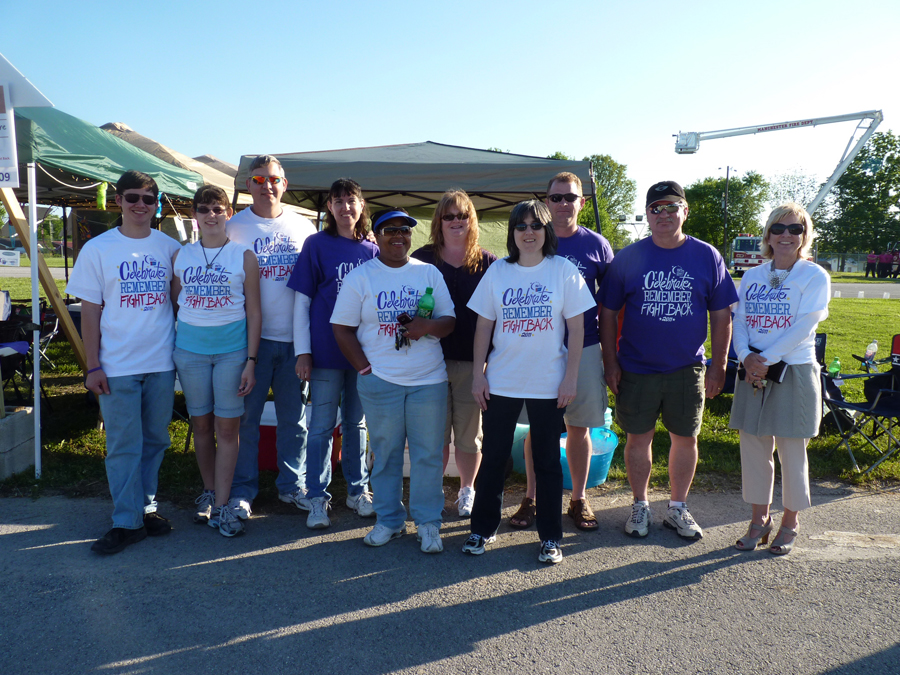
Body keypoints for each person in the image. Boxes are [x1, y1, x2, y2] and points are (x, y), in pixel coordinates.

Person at [599, 181, 738, 541]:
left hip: (686, 368)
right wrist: (610, 363)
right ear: (647, 215)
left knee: (686, 439)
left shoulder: (707, 256)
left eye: (671, 207)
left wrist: (719, 365)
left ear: (684, 211)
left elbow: (721, 314)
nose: (663, 214)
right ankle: (640, 505)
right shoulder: (628, 257)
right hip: (636, 367)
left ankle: (677, 507)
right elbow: (608, 313)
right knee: (637, 439)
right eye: (656, 208)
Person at [464, 200, 595, 564]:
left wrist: (570, 378)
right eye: (520, 226)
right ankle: (482, 529)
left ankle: (551, 537)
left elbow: (577, 329)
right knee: (493, 459)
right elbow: (484, 326)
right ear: (512, 232)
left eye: (536, 225)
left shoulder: (563, 270)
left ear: (546, 231)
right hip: (501, 381)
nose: (528, 232)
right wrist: (478, 374)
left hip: (548, 384)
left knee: (548, 461)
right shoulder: (498, 271)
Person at [66, 170, 181, 554]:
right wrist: (92, 366)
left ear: (157, 205)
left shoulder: (170, 248)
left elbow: (180, 302)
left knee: (156, 440)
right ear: (118, 200)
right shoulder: (98, 248)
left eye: (149, 199)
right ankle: (125, 521)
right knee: (122, 444)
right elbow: (90, 311)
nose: (140, 205)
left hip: (161, 362)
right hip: (116, 365)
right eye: (132, 198)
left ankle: (145, 508)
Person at [331, 208, 455, 553]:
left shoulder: (428, 273)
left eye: (405, 230)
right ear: (376, 236)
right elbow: (341, 328)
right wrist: (364, 369)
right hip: (380, 380)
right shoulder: (361, 277)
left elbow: (449, 322)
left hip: (428, 380)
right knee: (385, 454)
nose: (398, 236)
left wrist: (427, 326)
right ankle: (389, 520)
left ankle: (428, 523)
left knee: (428, 454)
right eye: (390, 230)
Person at [510, 172, 614, 532]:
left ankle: (578, 498)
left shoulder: (597, 245)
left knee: (578, 428)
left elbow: (609, 307)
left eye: (570, 197)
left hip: (584, 347)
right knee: (537, 429)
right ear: (546, 201)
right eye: (556, 198)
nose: (563, 204)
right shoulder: (533, 238)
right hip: (537, 349)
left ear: (581, 203)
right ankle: (532, 497)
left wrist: (611, 359)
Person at [730, 204, 830, 555]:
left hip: (793, 370)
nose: (786, 235)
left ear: (805, 235)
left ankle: (790, 522)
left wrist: (765, 360)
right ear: (768, 235)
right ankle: (759, 520)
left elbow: (806, 325)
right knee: (754, 448)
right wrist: (745, 356)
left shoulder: (814, 276)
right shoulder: (752, 276)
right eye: (779, 228)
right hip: (753, 369)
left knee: (792, 451)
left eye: (795, 229)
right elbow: (740, 320)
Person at [226, 155, 316, 519]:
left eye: (274, 179)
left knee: (294, 420)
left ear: (285, 184)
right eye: (260, 180)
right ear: (248, 185)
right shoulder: (233, 227)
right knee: (246, 419)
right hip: (251, 342)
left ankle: (291, 486)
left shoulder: (304, 227)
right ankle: (242, 490)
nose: (268, 186)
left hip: (296, 340)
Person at [288, 178, 379, 529]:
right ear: (329, 207)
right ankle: (316, 497)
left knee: (357, 424)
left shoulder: (372, 250)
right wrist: (303, 352)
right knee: (321, 427)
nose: (345, 207)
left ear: (361, 205)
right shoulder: (316, 244)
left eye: (351, 200)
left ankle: (358, 491)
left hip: (362, 356)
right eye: (338, 201)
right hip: (325, 353)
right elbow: (302, 302)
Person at [171, 186, 261, 537]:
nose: (211, 215)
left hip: (232, 353)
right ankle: (209, 492)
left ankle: (223, 506)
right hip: (190, 352)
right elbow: (176, 301)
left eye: (217, 209)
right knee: (201, 426)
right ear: (194, 215)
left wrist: (251, 360)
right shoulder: (182, 255)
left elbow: (254, 312)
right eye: (204, 209)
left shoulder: (244, 256)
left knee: (227, 429)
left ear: (228, 213)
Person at [411, 190, 497, 518]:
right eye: (449, 216)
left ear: (472, 220)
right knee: (434, 436)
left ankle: (466, 490)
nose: (456, 221)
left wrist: (487, 364)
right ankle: (433, 491)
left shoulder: (489, 263)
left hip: (473, 364)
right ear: (439, 221)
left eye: (463, 215)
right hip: (428, 362)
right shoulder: (421, 259)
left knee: (469, 436)